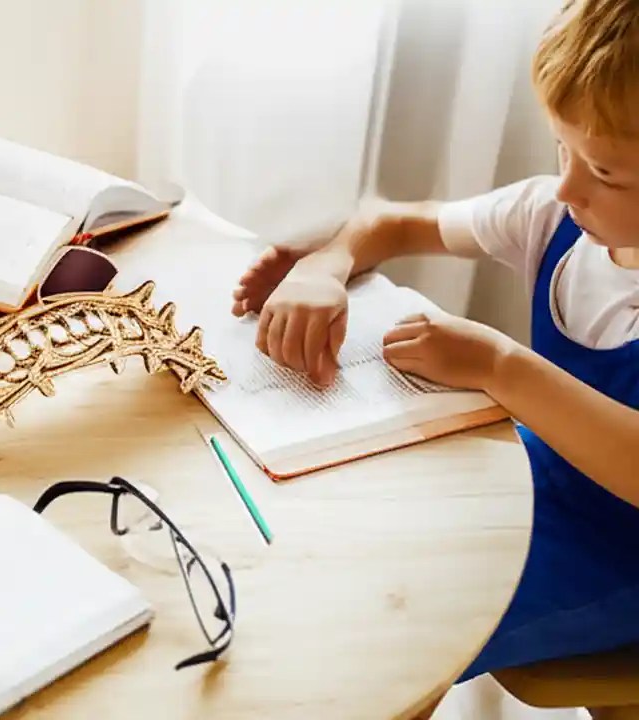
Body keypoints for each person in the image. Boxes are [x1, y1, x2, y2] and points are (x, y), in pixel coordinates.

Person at [232, 0, 639, 712]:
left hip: (619, 560)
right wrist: (326, 266)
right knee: (337, 551)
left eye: (607, 173)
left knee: (391, 634)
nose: (569, 187)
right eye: (562, 149)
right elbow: (388, 222)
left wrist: (500, 366)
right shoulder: (553, 215)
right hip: (527, 482)